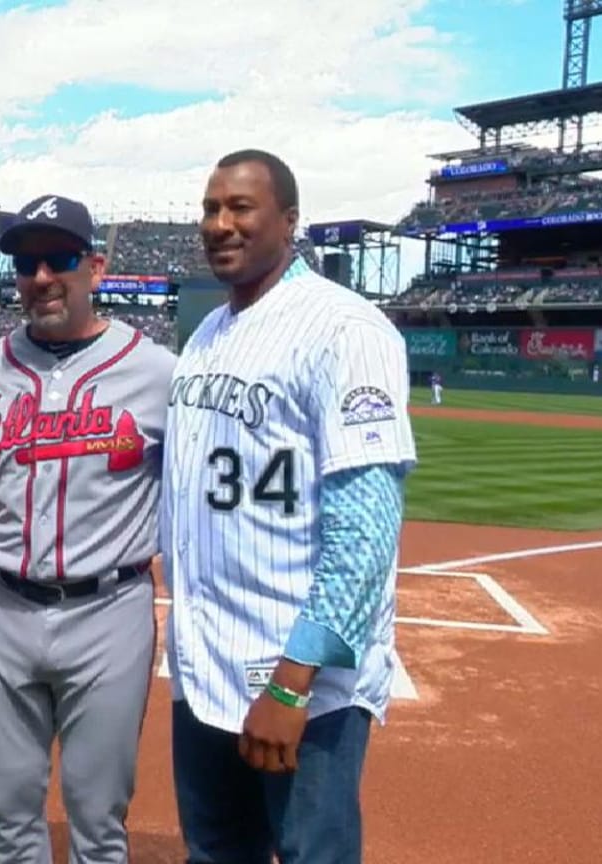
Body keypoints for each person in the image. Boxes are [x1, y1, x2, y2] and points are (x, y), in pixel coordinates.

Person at [159, 149, 418, 864]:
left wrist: (292, 682)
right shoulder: (209, 335)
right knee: (215, 852)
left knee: (312, 854)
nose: (220, 224)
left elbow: (366, 534)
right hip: (206, 666)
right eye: (211, 208)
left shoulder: (346, 330)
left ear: (289, 221)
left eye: (240, 208)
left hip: (299, 685)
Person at [0, 194, 177, 862]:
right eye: (27, 263)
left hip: (109, 610)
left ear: (96, 266)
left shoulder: (156, 373)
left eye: (59, 258)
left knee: (97, 815)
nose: (42, 276)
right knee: (10, 810)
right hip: (3, 607)